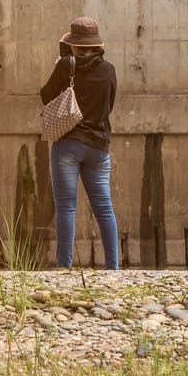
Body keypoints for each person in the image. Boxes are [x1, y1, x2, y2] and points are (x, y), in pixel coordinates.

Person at [40, 16, 118, 270]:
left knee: (66, 206)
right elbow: (109, 105)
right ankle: (113, 268)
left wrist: (61, 62)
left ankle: (65, 267)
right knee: (104, 208)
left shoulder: (66, 66)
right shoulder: (109, 70)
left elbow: (46, 96)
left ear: (73, 44)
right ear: (96, 44)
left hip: (69, 144)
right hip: (98, 145)